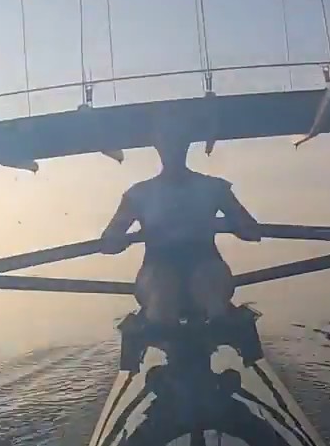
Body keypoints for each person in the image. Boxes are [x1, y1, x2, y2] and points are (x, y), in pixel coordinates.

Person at [99, 119, 261, 325]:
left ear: (186, 145)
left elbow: (252, 232)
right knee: (162, 298)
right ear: (158, 147)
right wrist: (119, 240)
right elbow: (108, 242)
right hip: (158, 270)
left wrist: (232, 224)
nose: (172, 147)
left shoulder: (214, 188)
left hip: (206, 266)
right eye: (168, 141)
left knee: (212, 300)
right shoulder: (138, 195)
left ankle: (206, 325)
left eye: (177, 141)